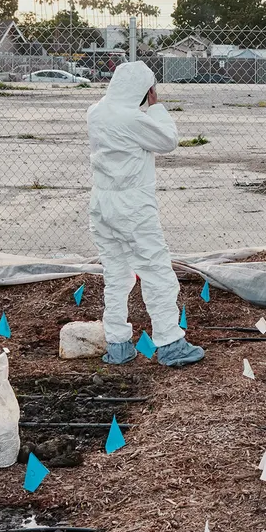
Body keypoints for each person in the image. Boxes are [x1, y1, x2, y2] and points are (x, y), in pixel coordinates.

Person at [87, 61, 205, 366]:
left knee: (115, 273)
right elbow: (168, 141)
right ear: (145, 90)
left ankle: (118, 344)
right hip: (133, 206)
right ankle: (169, 342)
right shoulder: (132, 119)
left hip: (102, 204)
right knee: (156, 271)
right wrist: (156, 106)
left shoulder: (96, 112)